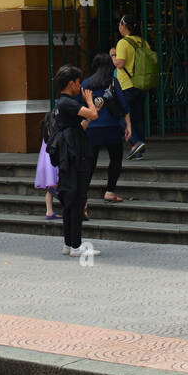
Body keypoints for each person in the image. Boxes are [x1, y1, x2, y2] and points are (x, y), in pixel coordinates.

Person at [51, 64, 102, 256]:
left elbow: (81, 125)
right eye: (78, 82)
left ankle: (68, 243)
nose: (80, 86)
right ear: (71, 83)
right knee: (77, 198)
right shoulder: (67, 102)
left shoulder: (61, 104)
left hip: (70, 155)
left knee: (70, 199)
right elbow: (93, 114)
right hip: (74, 156)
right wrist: (90, 102)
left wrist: (91, 109)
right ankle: (76, 245)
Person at [82, 53, 132, 203]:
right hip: (111, 127)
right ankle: (110, 191)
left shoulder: (85, 84)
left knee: (90, 162)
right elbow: (124, 105)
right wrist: (128, 125)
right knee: (116, 159)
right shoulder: (113, 82)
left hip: (91, 128)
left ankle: (83, 194)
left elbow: (79, 106)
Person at [110, 13, 149, 160]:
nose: (119, 26)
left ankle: (135, 142)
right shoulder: (143, 42)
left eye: (120, 23)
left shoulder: (123, 43)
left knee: (120, 113)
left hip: (126, 84)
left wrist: (113, 54)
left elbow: (119, 63)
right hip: (141, 84)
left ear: (124, 26)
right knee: (138, 116)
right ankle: (138, 148)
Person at [34, 112, 61, 220]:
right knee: (56, 186)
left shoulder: (46, 132)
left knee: (50, 188)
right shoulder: (55, 132)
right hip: (53, 163)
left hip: (45, 163)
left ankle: (49, 211)